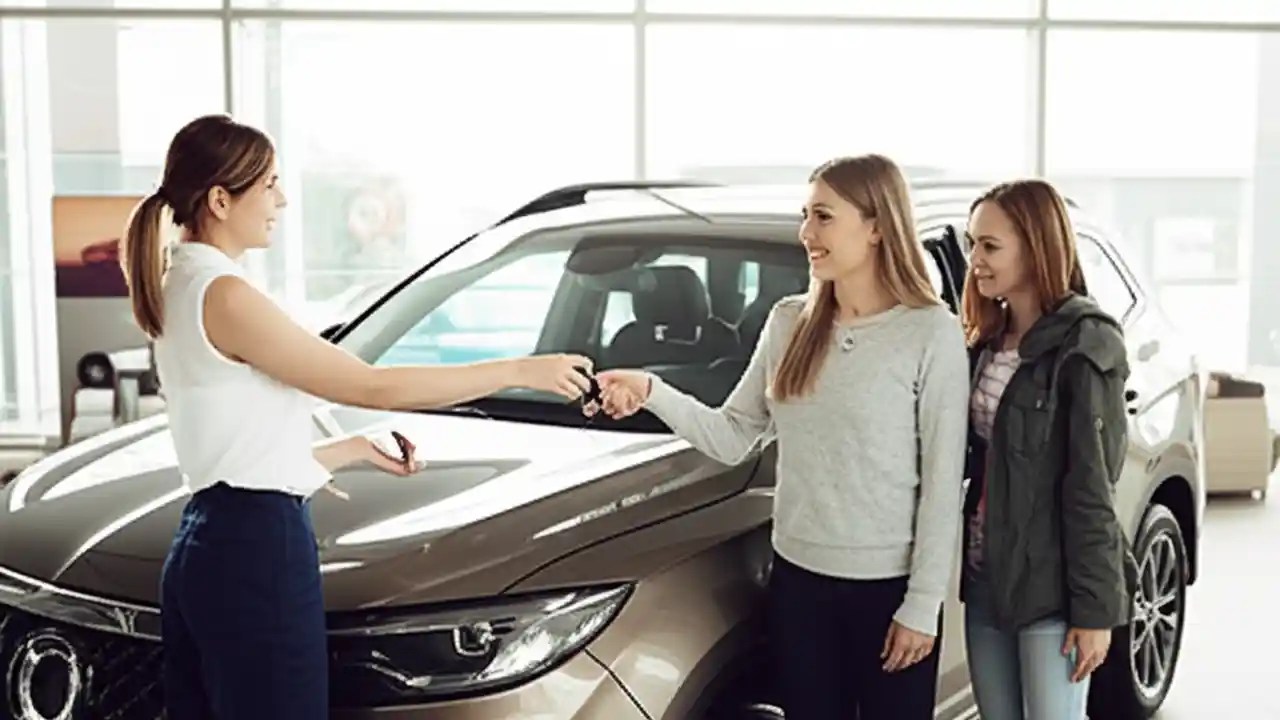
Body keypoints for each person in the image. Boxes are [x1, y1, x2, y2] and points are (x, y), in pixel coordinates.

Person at [120, 114, 594, 720]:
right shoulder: (226, 295)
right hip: (257, 548)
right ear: (219, 199)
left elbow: (231, 451)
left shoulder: (178, 283)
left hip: (206, 542)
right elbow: (371, 383)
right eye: (269, 185)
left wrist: (349, 451)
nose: (282, 200)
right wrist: (520, 371)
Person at [586, 154, 969, 719]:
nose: (806, 233)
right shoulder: (789, 322)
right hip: (800, 587)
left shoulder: (929, 331)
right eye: (805, 215)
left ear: (877, 227)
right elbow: (733, 434)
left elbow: (942, 482)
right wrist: (651, 389)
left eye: (823, 217)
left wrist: (922, 604)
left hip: (889, 591)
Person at [959, 178, 1135, 720]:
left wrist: (1095, 614)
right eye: (972, 244)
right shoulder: (987, 340)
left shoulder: (1085, 345)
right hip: (986, 575)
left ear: (1035, 245)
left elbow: (1091, 488)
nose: (975, 261)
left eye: (990, 246)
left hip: (1051, 591)